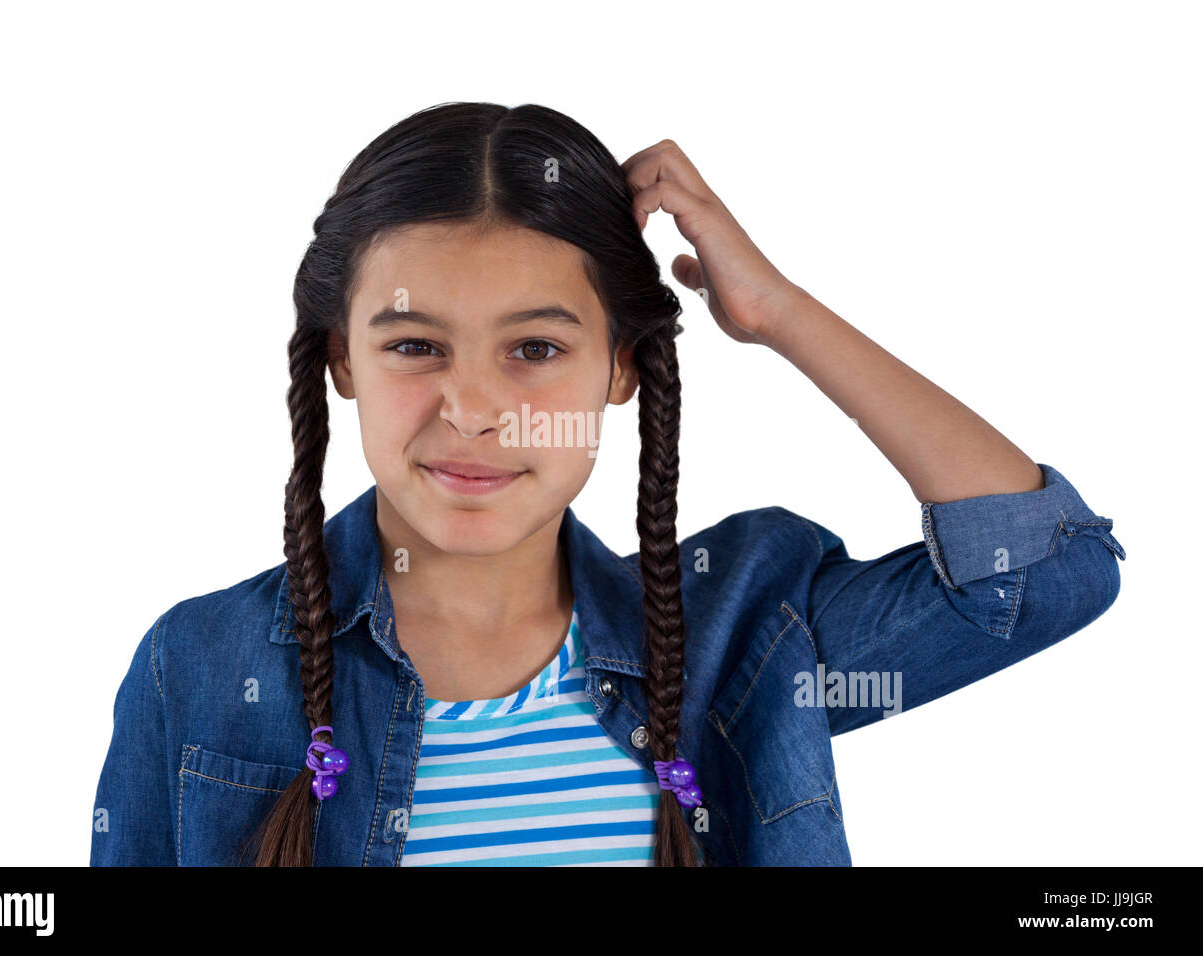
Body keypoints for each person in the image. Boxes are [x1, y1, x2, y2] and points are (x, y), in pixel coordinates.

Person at [90, 102, 1125, 867]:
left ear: (620, 367)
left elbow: (1039, 569)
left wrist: (778, 311)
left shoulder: (742, 637)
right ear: (343, 361)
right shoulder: (197, 664)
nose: (473, 408)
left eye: (535, 347)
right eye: (415, 345)